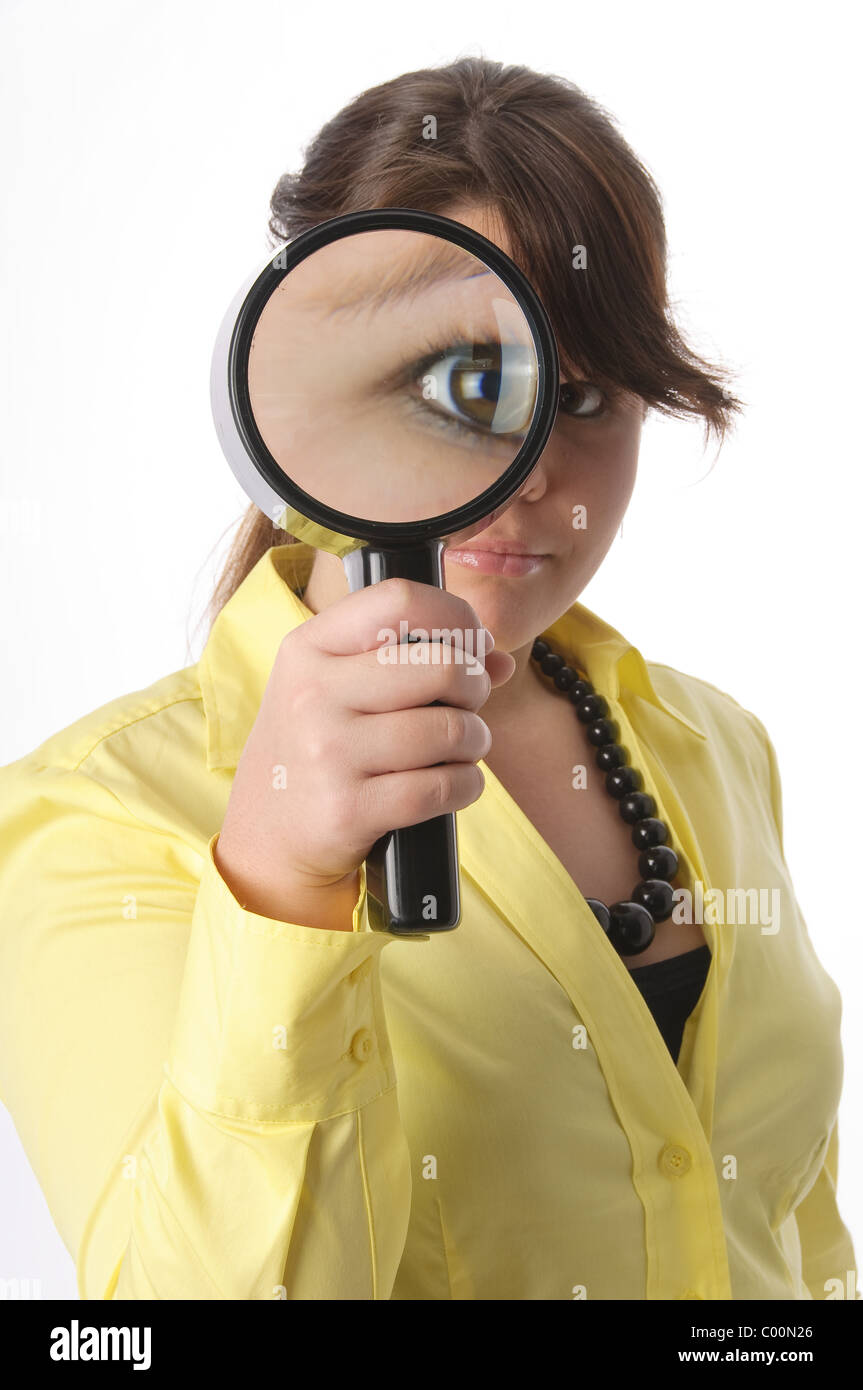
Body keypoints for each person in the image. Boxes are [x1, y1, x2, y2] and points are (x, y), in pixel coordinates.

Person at [0, 57, 856, 1302]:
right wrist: (284, 891)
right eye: (460, 380)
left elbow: (797, 1240)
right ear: (298, 395)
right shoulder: (91, 820)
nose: (524, 473)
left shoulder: (714, 744)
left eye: (580, 393)